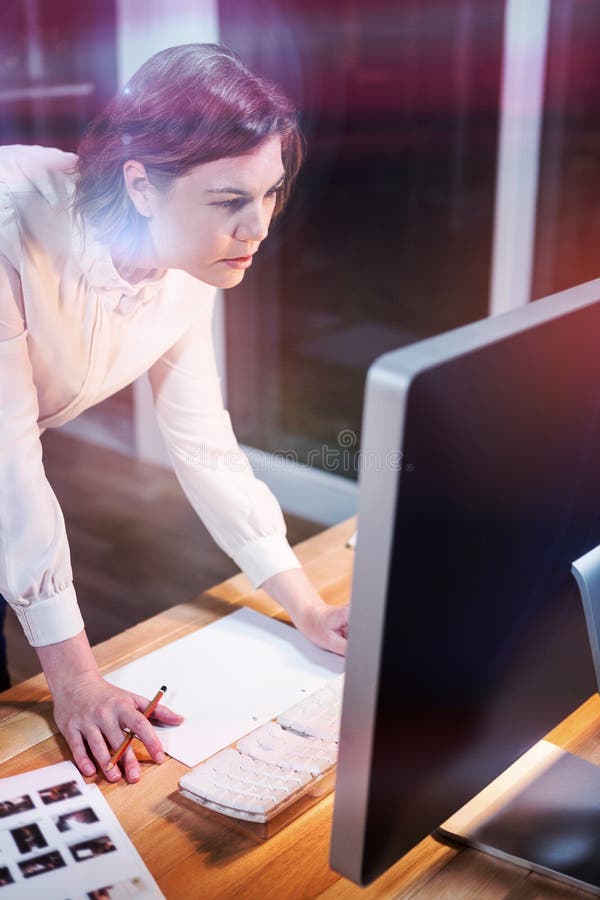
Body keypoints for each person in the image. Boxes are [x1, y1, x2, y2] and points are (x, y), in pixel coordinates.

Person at [0, 43, 349, 783]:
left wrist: (306, 606)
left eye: (271, 194)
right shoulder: (7, 229)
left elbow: (203, 443)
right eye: (229, 201)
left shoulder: (188, 263)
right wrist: (76, 681)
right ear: (141, 186)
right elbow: (10, 469)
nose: (257, 228)